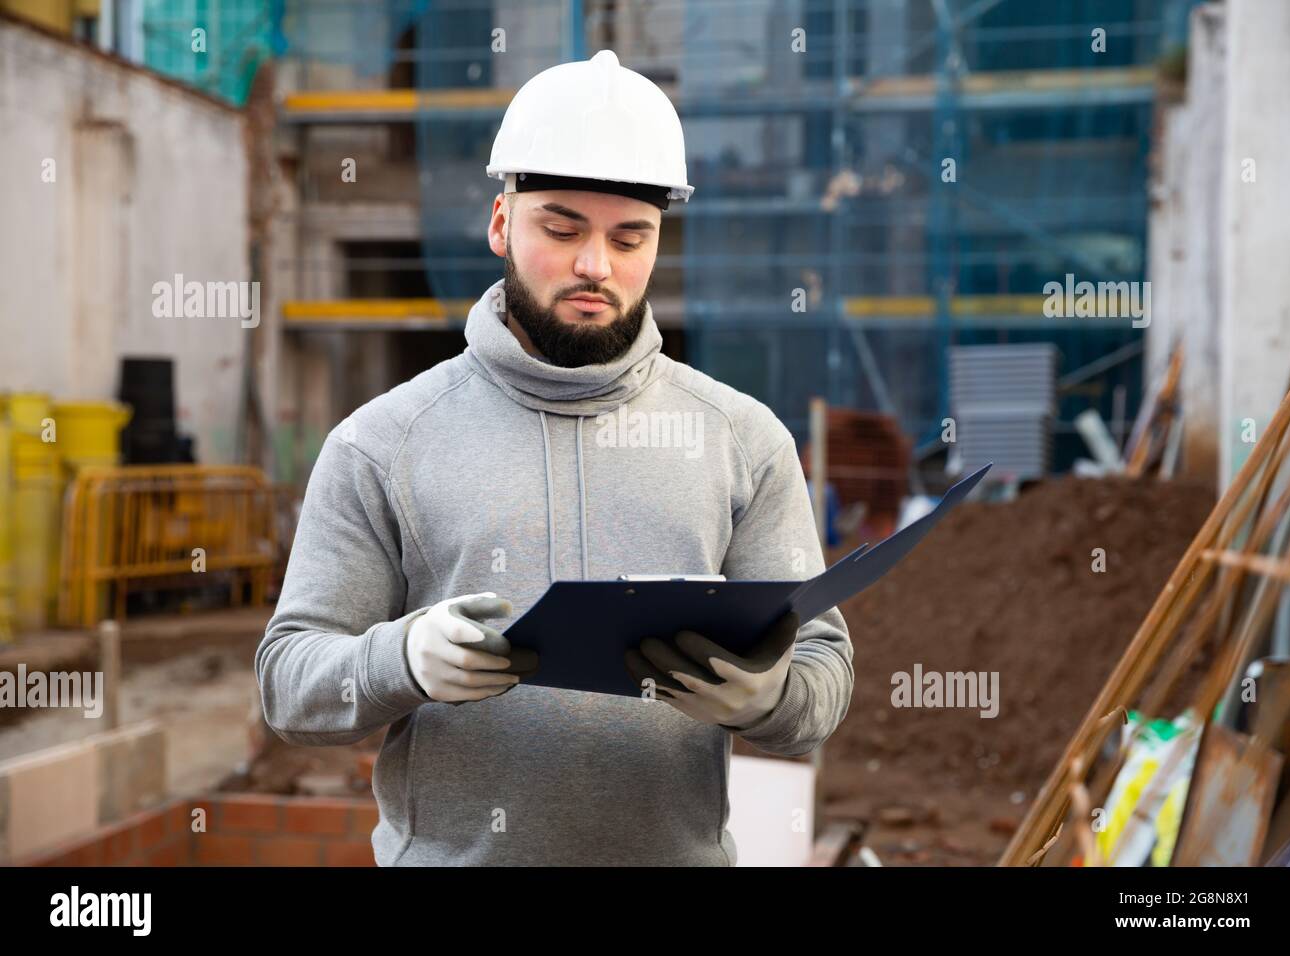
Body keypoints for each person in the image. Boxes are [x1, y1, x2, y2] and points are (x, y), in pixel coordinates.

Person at [256, 50, 853, 866]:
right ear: (503, 222)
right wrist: (401, 659)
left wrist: (772, 696)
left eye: (628, 237)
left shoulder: (742, 439)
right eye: (561, 227)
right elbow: (289, 681)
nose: (594, 266)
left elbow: (824, 665)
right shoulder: (382, 442)